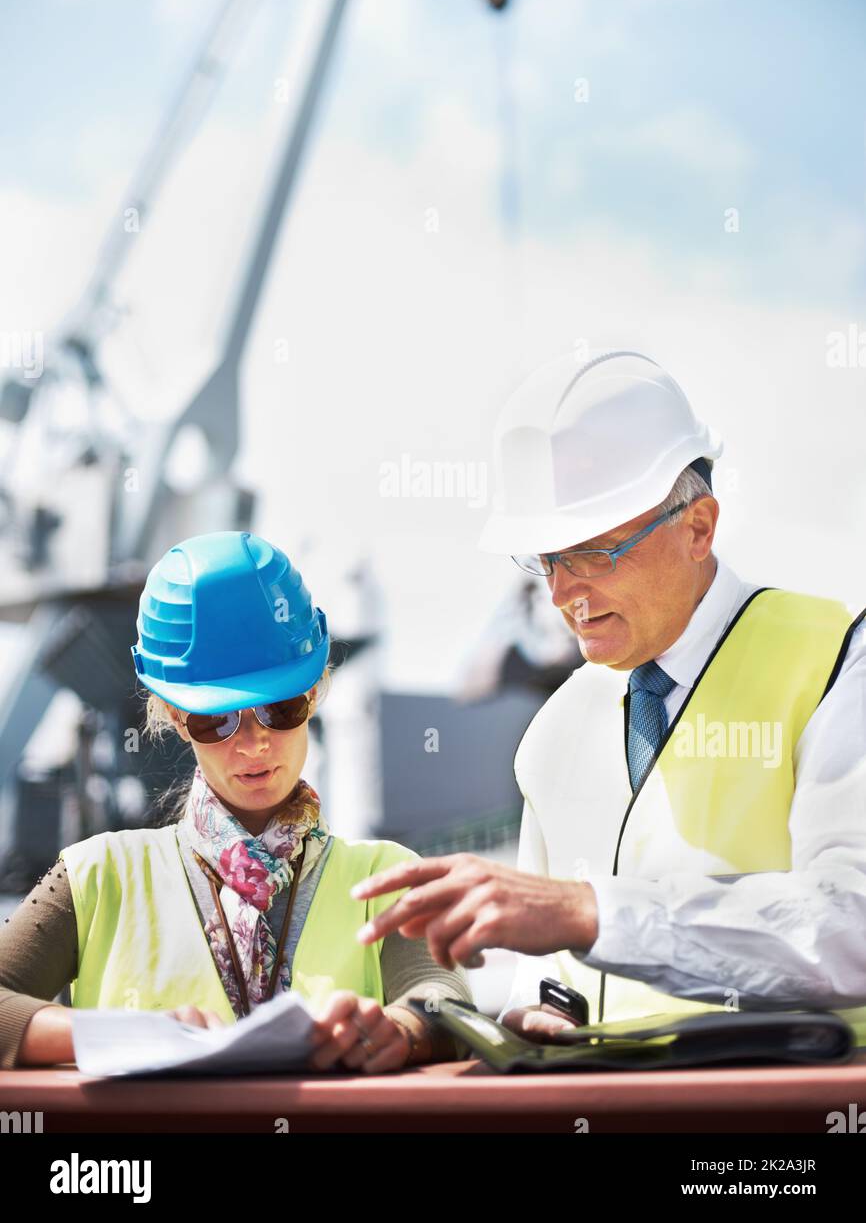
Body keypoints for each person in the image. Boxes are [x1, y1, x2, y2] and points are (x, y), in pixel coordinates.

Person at [350, 349, 866, 1047]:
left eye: (593, 551)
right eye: (547, 559)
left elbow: (851, 926)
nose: (563, 593)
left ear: (699, 527)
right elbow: (552, 965)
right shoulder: (555, 732)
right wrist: (546, 1005)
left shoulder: (838, 658)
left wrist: (594, 913)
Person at [0, 530, 473, 1071]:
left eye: (282, 707)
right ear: (177, 719)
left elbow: (443, 999)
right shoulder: (94, 878)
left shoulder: (390, 878)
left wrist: (401, 1030)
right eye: (216, 719)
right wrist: (116, 1033)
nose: (254, 743)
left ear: (315, 693)